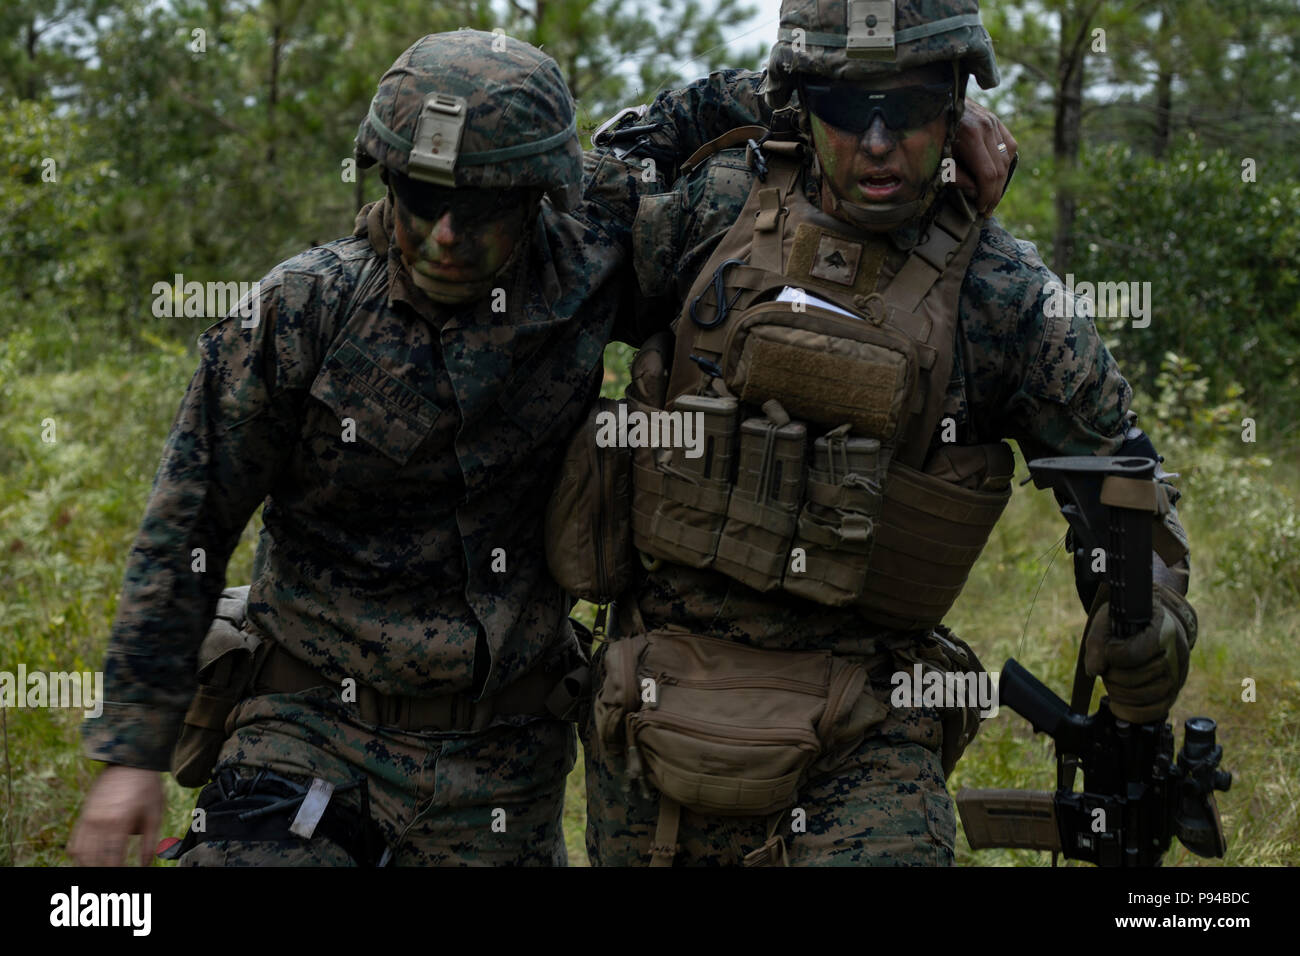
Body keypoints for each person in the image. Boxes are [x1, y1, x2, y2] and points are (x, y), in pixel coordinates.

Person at [67, 27, 1017, 867]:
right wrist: (130, 756)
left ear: (536, 198)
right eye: (419, 194)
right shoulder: (299, 314)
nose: (445, 234)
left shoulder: (587, 254)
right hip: (307, 727)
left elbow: (694, 129)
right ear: (382, 174)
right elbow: (183, 530)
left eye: (481, 206)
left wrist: (929, 108)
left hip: (505, 763)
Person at [579, 0, 1196, 866]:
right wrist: (756, 95)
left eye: (907, 110)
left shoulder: (1004, 296)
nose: (877, 142)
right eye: (845, 107)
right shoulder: (709, 217)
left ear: (954, 106)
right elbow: (565, 194)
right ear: (799, 103)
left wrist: (1154, 620)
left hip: (867, 731)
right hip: (655, 701)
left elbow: (1125, 487)